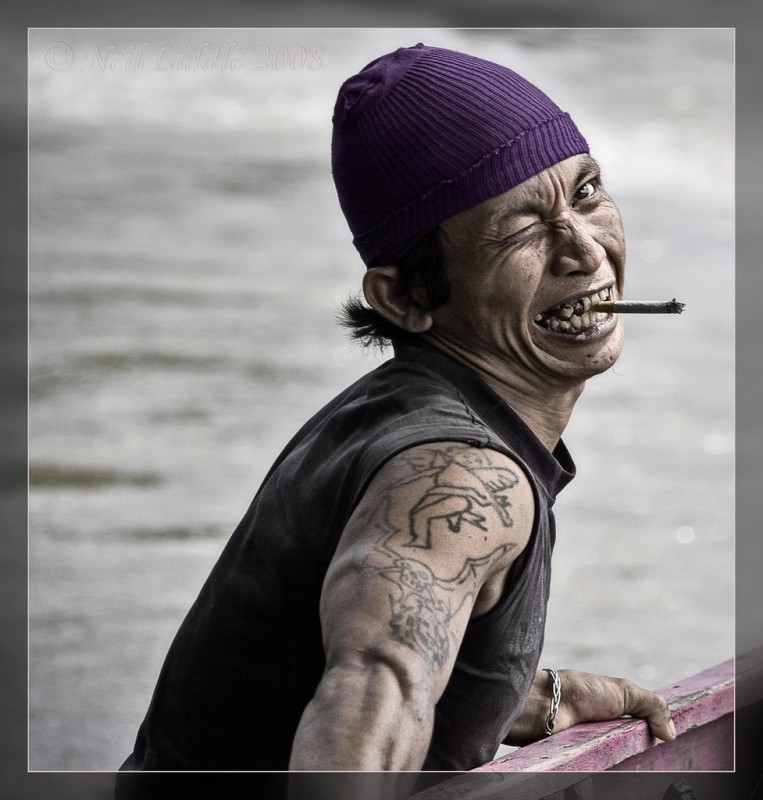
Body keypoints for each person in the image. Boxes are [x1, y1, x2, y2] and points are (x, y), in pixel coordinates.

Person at [120, 43, 676, 777]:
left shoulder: (388, 411)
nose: (584, 250)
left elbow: (351, 652)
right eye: (520, 228)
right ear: (407, 297)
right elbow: (374, 684)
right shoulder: (462, 476)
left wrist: (533, 696)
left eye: (586, 191)